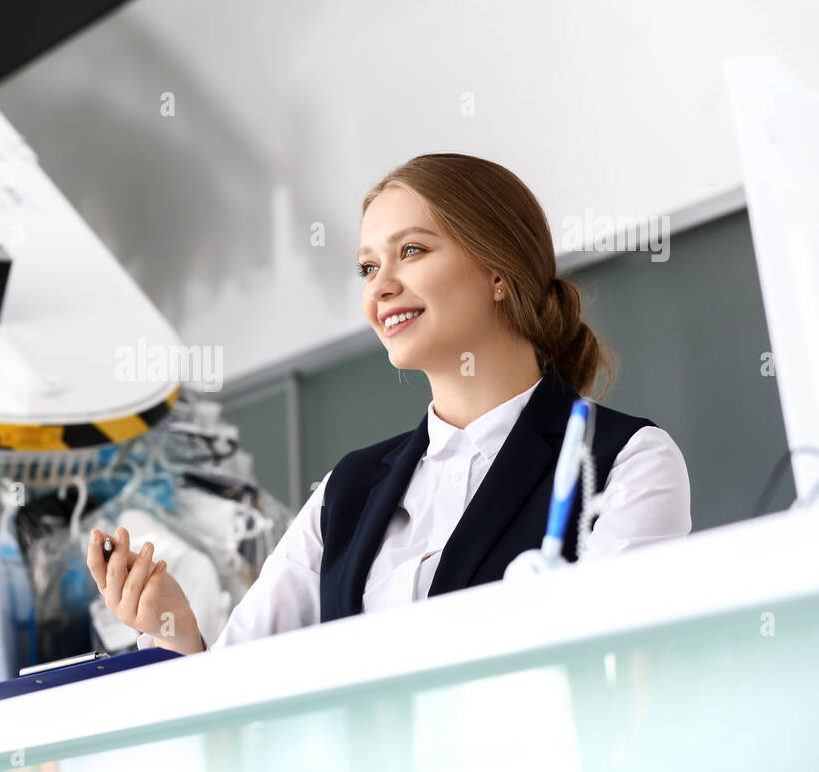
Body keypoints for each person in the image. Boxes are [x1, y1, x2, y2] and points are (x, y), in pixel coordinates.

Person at [86, 153, 692, 656]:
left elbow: (618, 674)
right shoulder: (344, 493)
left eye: (412, 252)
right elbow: (235, 693)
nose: (379, 287)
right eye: (368, 267)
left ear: (498, 270)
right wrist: (172, 630)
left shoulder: (623, 461)